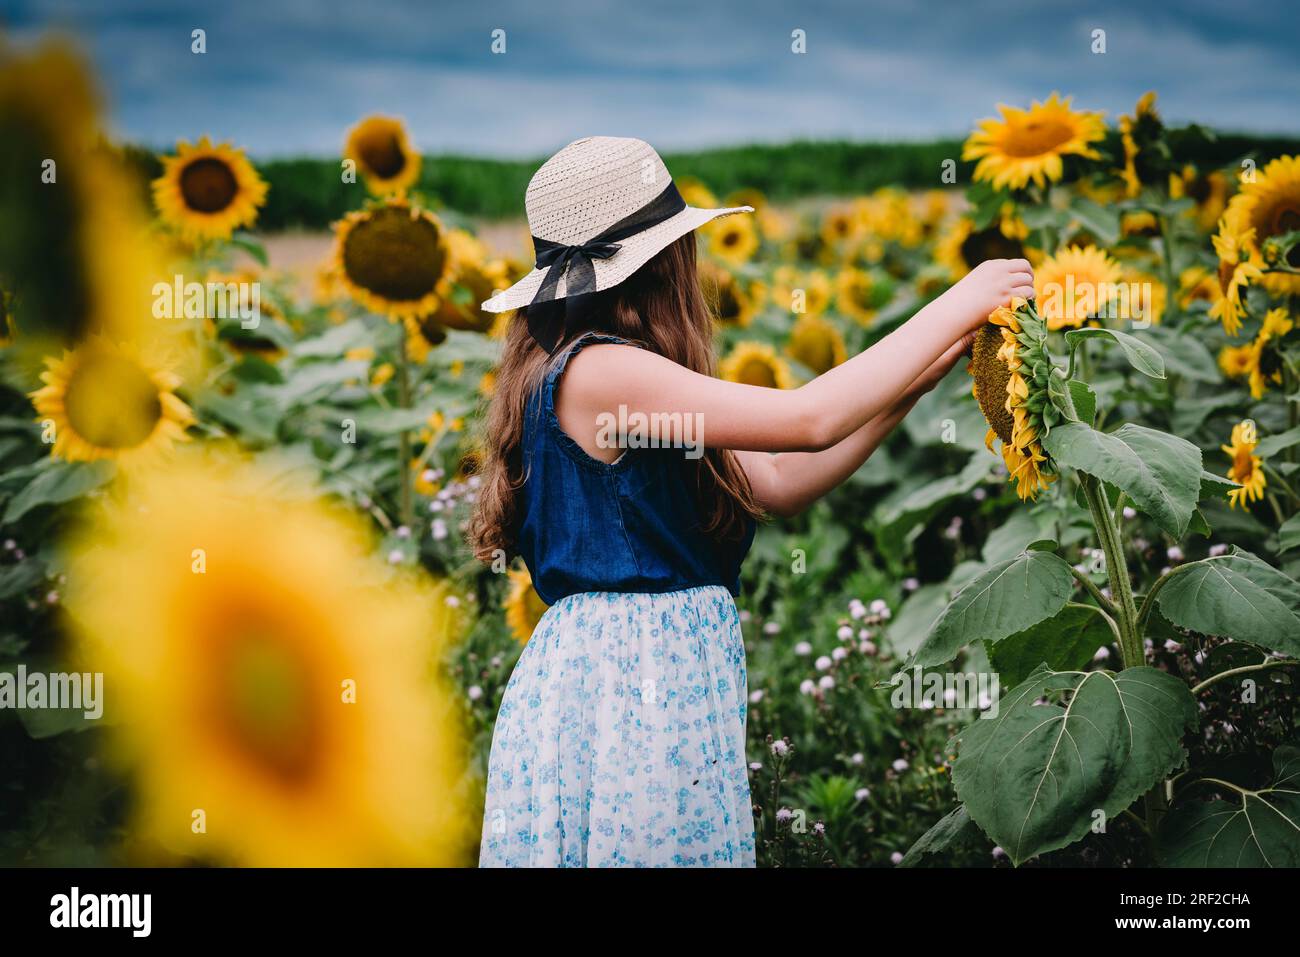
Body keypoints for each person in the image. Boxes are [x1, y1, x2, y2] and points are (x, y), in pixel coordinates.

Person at [469, 136, 1033, 867]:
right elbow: (807, 419)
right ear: (662, 262)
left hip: (657, 685)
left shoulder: (628, 379)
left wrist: (910, 387)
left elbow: (776, 479)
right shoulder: (599, 373)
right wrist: (964, 297)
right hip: (627, 695)